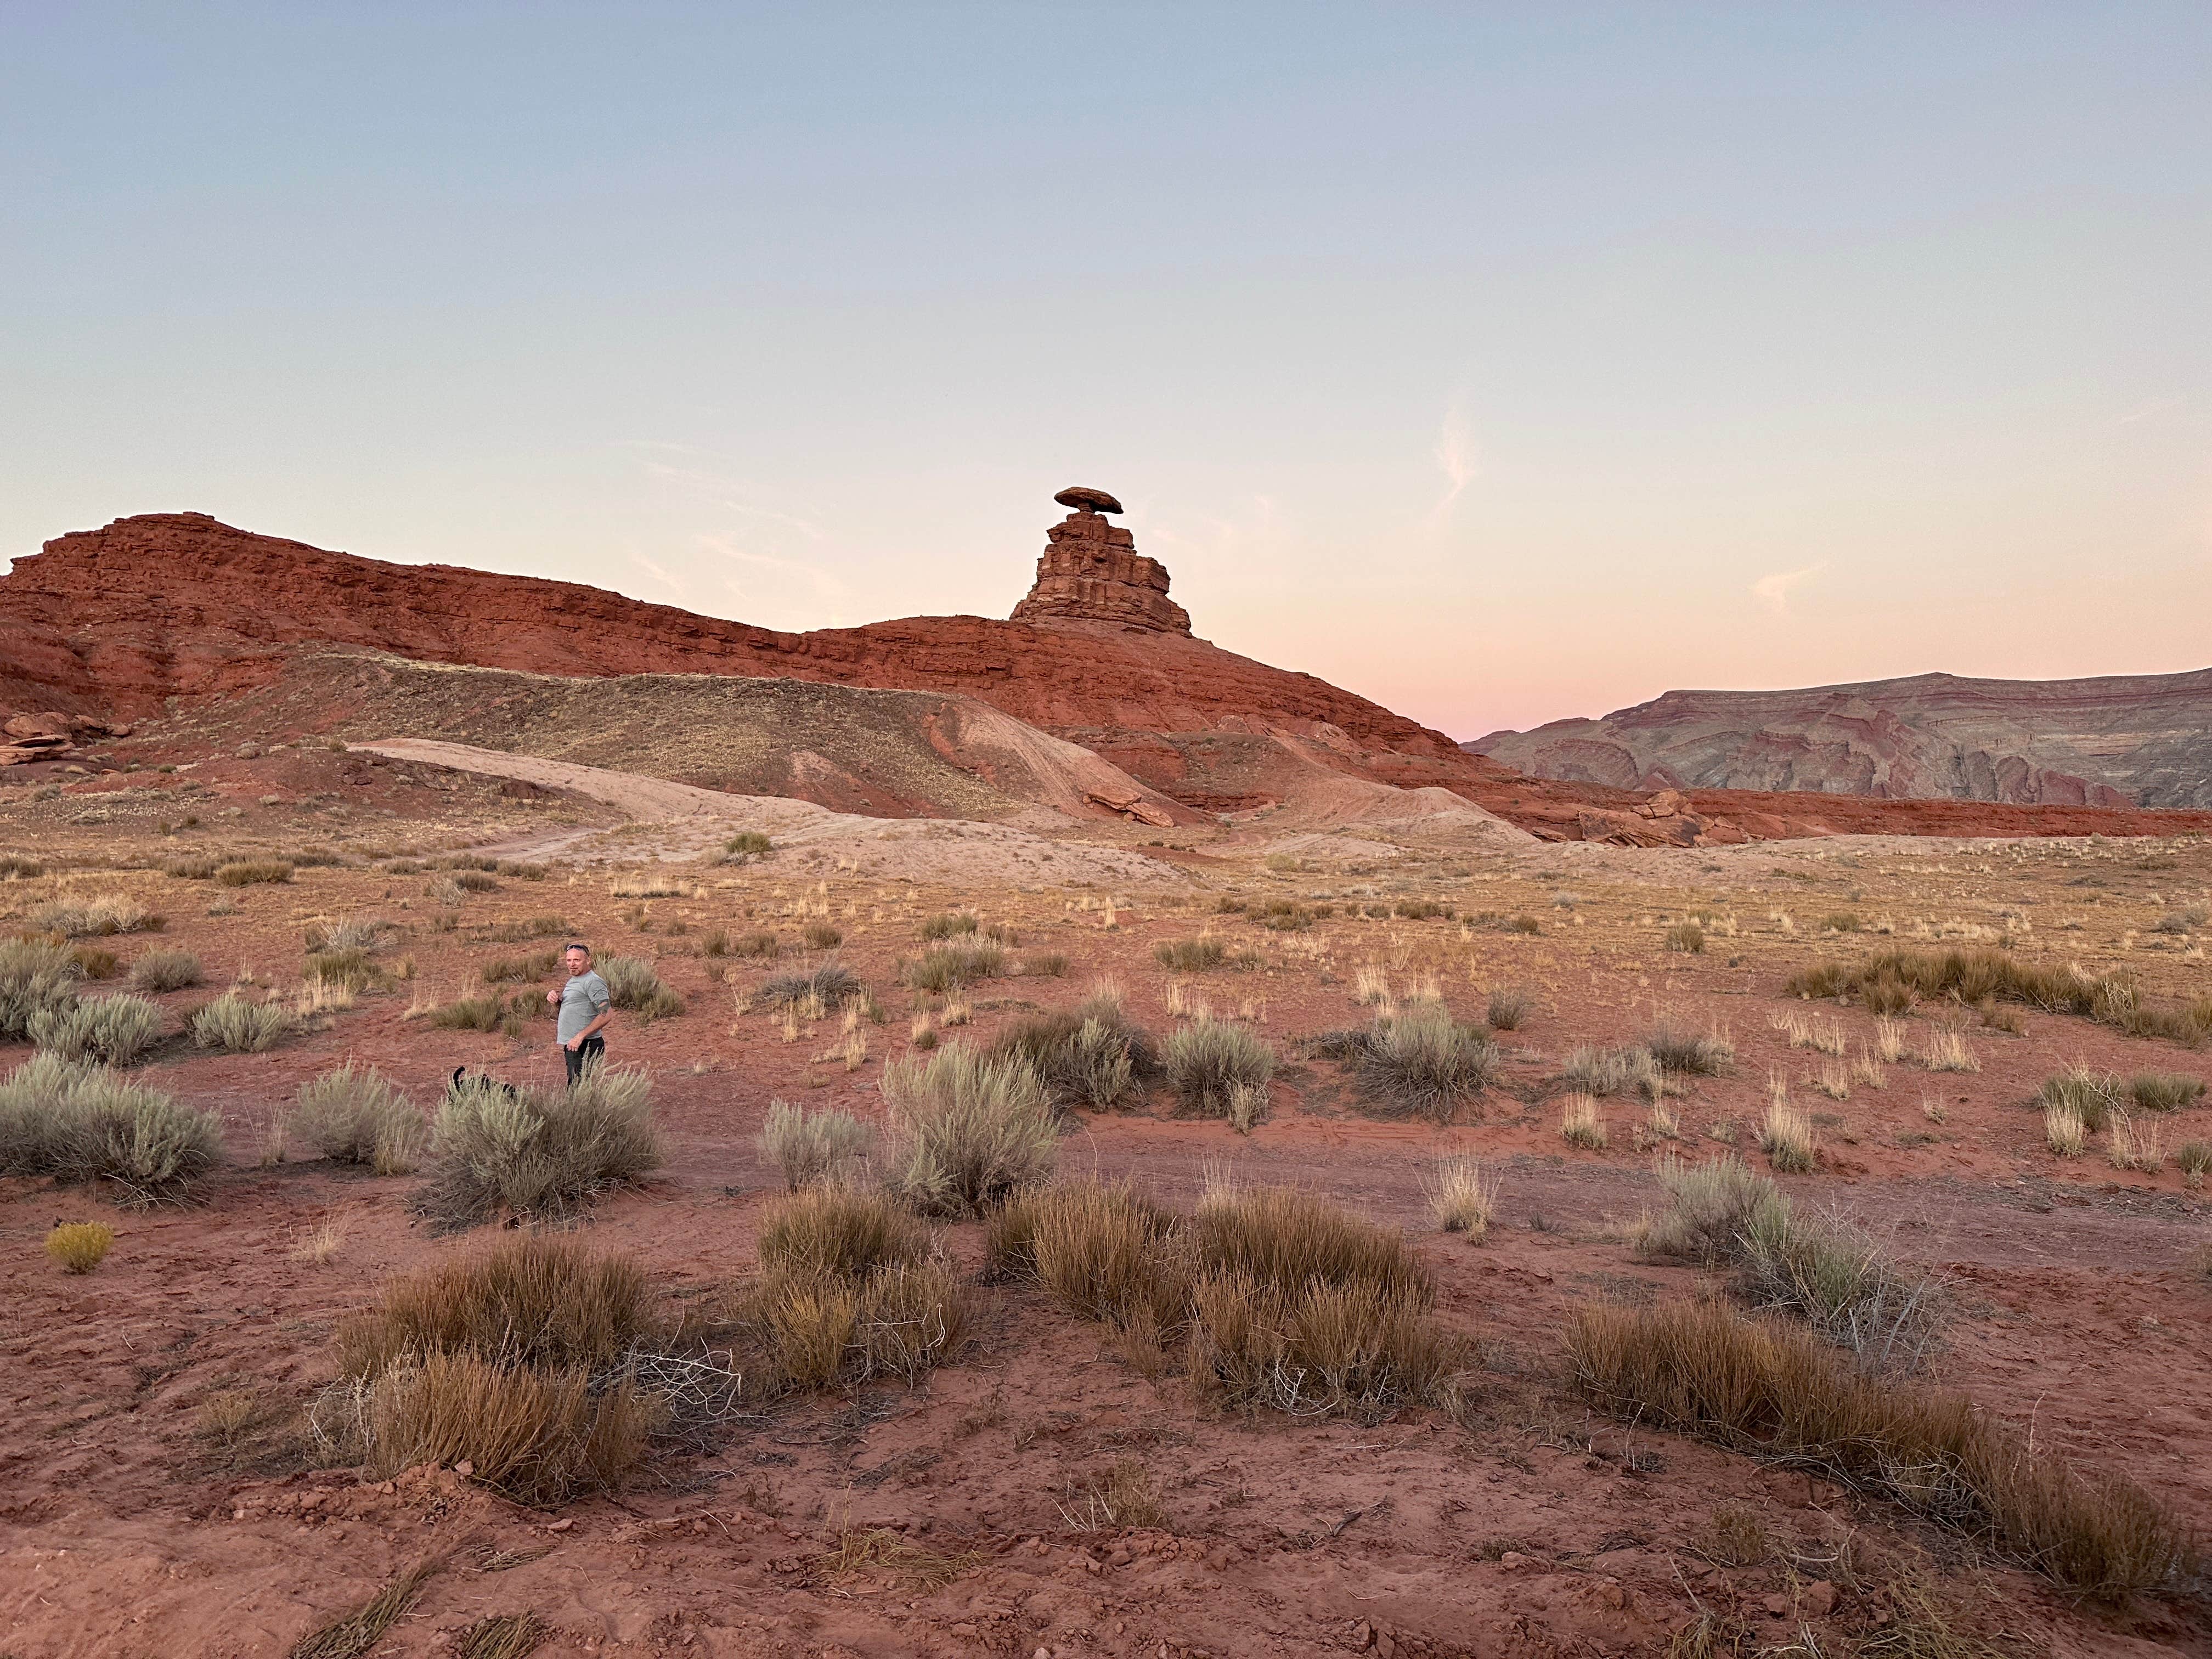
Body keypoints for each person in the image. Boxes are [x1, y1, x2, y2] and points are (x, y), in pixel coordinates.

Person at [546, 942, 612, 1083]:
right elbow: (570, 1008)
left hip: (587, 1044)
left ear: (588, 960)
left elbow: (607, 1013)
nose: (572, 964)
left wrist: (580, 1037)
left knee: (581, 1088)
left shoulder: (593, 982)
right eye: (569, 960)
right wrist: (556, 1001)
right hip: (573, 1043)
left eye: (577, 960)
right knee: (577, 1086)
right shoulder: (574, 980)